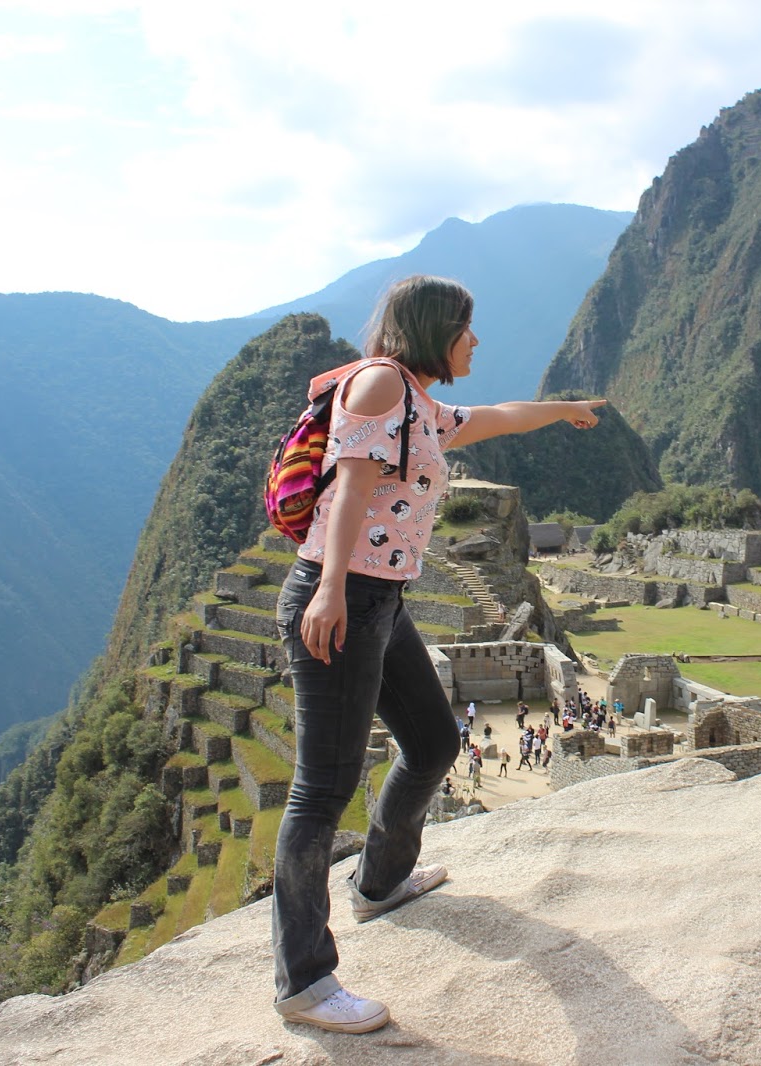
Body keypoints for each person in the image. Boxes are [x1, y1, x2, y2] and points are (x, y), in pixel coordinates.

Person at [270, 275, 606, 1034]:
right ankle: (305, 982)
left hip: (381, 601)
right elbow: (352, 487)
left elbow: (495, 417)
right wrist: (327, 591)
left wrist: (562, 410)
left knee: (430, 741)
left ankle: (380, 883)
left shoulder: (420, 403)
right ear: (431, 328)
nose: (475, 340)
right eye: (465, 326)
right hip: (340, 600)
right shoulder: (383, 383)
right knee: (320, 792)